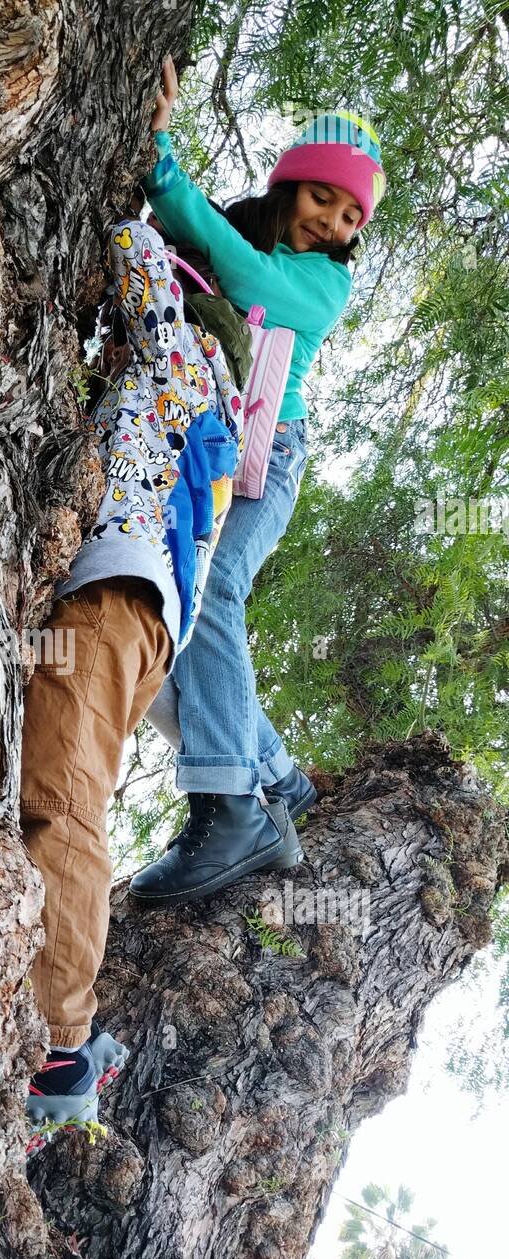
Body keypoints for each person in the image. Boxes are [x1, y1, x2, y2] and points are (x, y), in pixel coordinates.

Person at [130, 58, 387, 911]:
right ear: (291, 183)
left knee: (211, 598)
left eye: (351, 214)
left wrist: (160, 165)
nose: (333, 220)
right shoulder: (230, 230)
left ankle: (228, 807)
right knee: (161, 629)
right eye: (323, 197)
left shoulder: (323, 282)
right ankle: (273, 775)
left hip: (267, 455)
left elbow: (243, 277)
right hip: (198, 445)